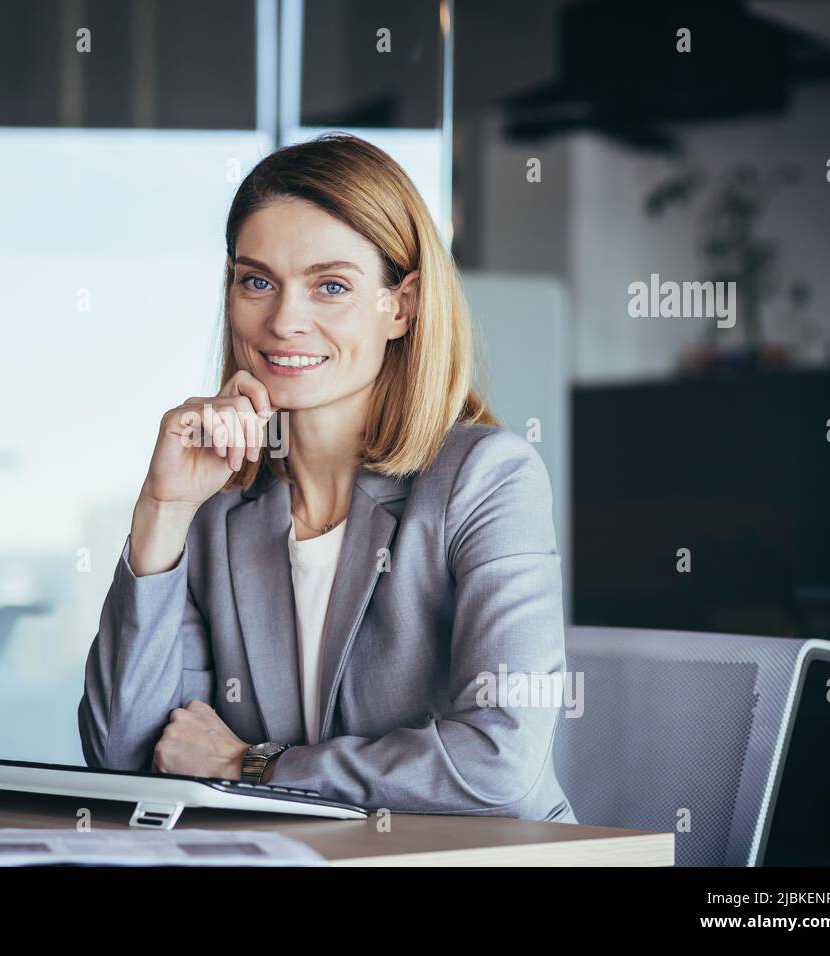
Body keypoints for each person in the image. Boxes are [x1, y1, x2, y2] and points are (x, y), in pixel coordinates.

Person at [78, 132, 576, 823]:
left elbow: (499, 768)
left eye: (331, 286)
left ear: (400, 306)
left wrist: (249, 765)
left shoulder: (486, 480)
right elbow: (124, 755)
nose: (285, 320)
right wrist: (163, 511)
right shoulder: (222, 510)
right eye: (258, 281)